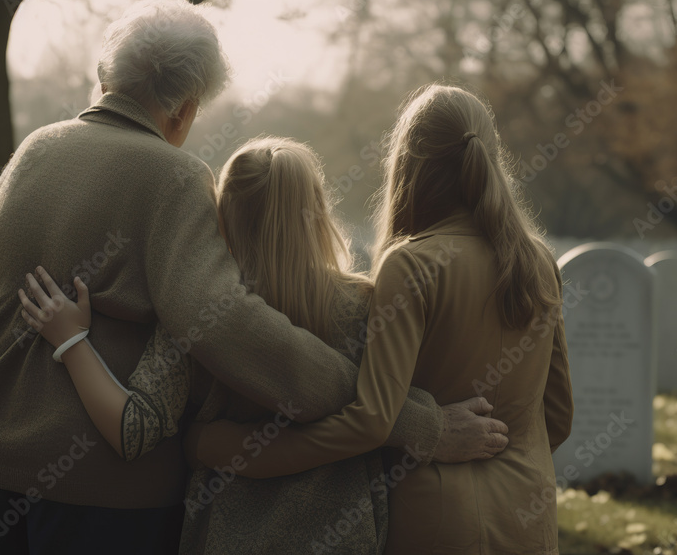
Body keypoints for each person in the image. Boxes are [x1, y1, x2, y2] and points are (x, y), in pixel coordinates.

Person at [0, 0, 506, 552]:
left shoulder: (35, 149)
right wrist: (407, 421)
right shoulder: (174, 174)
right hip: (99, 494)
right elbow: (222, 324)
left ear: (103, 75)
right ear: (185, 109)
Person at [188, 84, 574, 554]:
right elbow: (557, 415)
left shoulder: (410, 266)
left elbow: (372, 420)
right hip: (526, 515)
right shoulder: (539, 261)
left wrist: (236, 451)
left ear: (409, 164)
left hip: (431, 517)